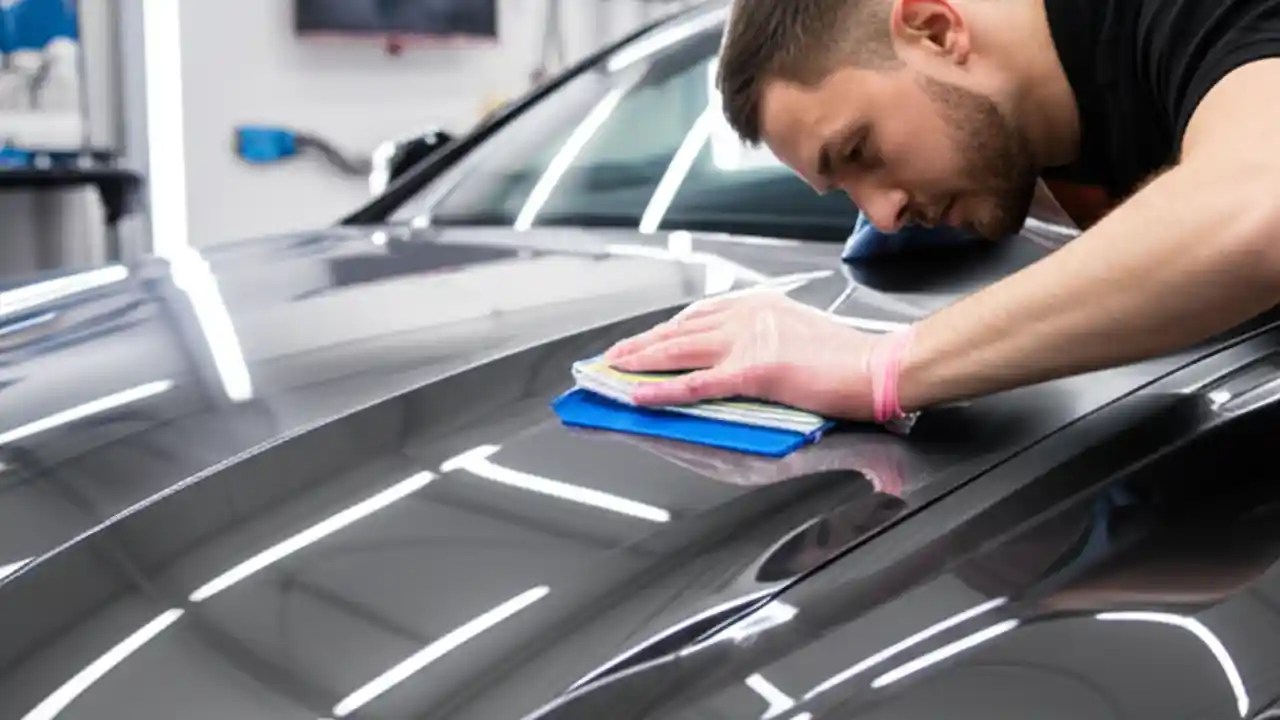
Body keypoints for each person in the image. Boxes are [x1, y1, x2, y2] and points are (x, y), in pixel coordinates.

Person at [602, 0, 1280, 425]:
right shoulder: (1015, 151)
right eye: (844, 191)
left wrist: (883, 368)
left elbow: (1258, 207)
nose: (883, 214)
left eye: (861, 150)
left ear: (934, 27)